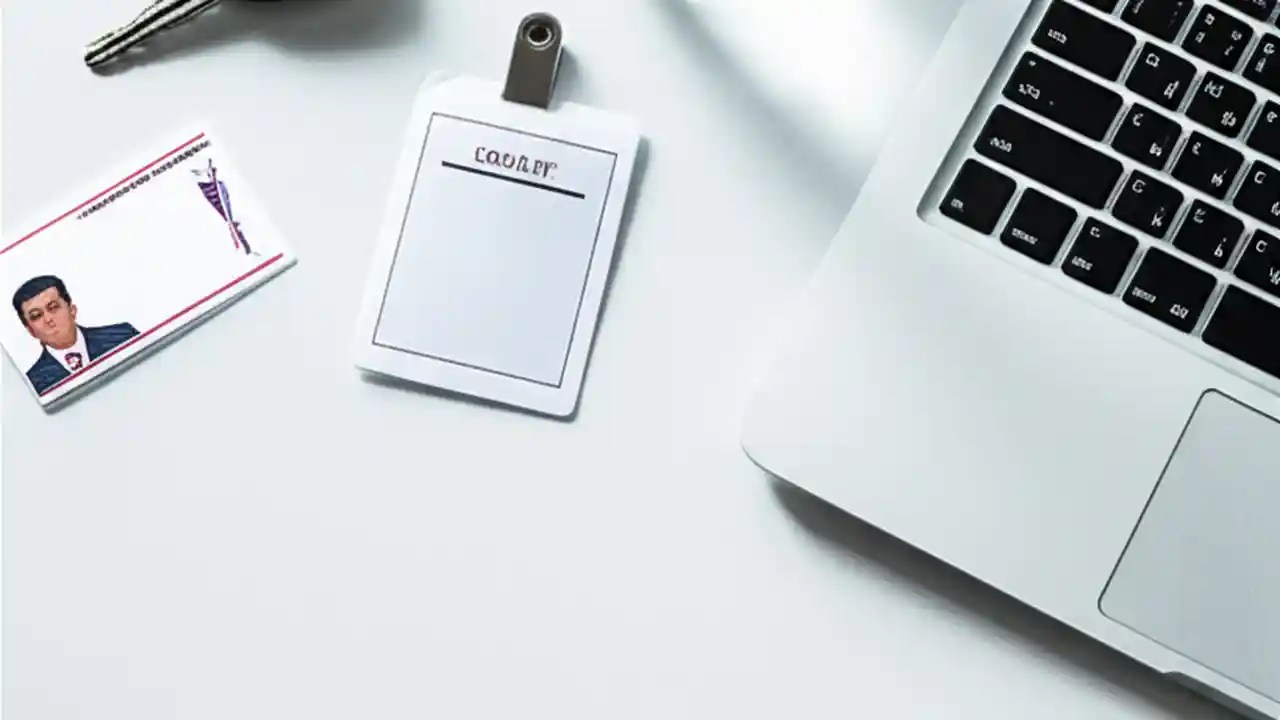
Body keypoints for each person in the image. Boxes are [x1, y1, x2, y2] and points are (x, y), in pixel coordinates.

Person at [12, 275, 139, 394]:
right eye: (37, 316)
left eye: (53, 307)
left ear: (72, 309)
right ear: (30, 330)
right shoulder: (32, 384)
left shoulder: (122, 335)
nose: (48, 319)